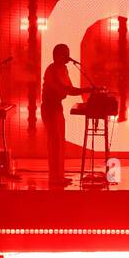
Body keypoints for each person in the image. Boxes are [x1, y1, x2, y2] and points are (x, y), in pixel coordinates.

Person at [41, 44, 85, 185]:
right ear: (58, 55)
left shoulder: (63, 69)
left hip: (57, 107)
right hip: (49, 108)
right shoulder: (52, 70)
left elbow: (69, 88)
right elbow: (64, 89)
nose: (68, 56)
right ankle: (54, 178)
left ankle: (59, 176)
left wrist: (87, 90)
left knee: (60, 143)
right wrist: (86, 90)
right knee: (54, 144)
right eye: (65, 53)